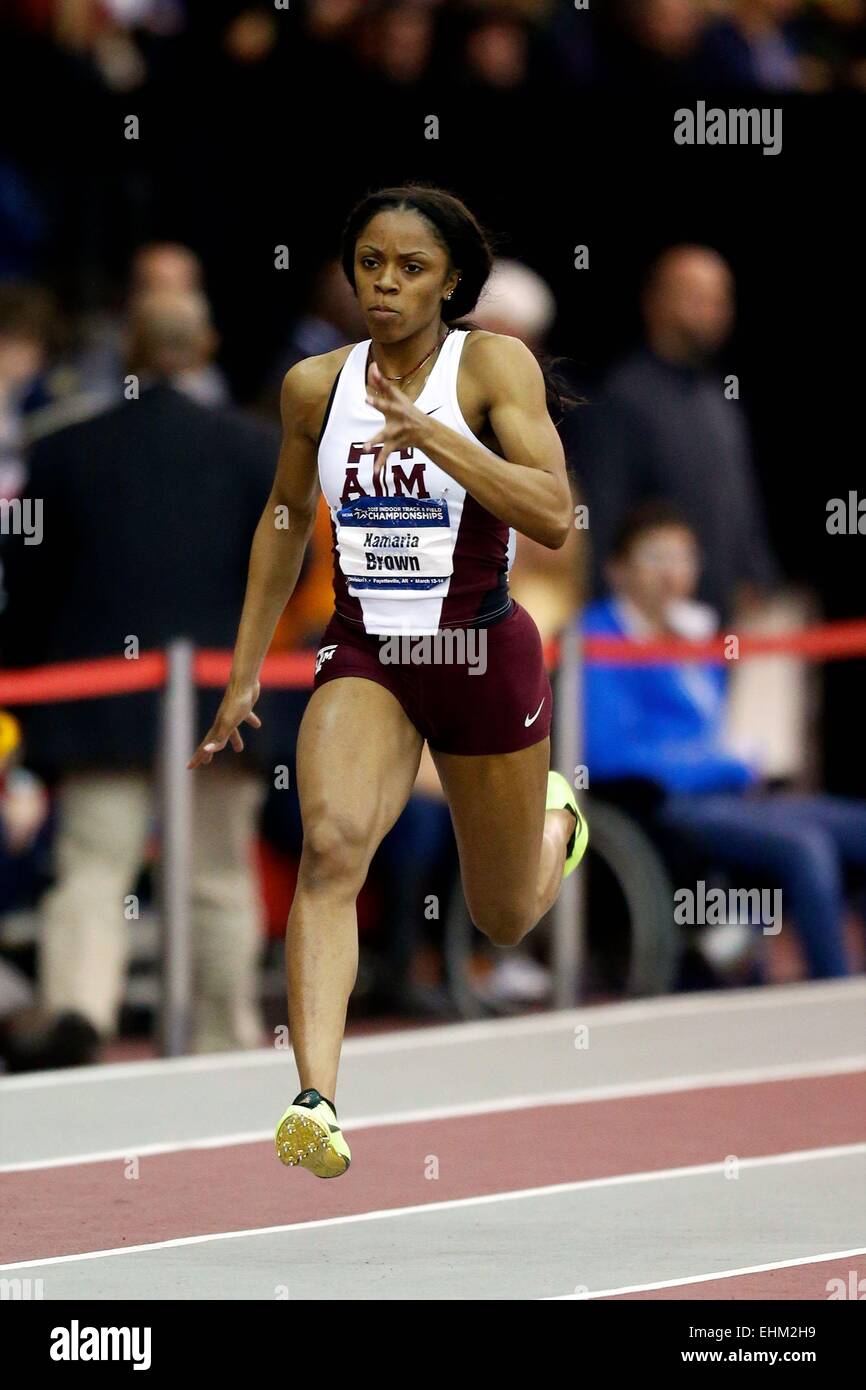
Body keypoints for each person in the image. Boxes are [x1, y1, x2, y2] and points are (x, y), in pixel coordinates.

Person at [189, 184, 589, 1178]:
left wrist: (441, 438)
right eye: (369, 263)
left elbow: (550, 513)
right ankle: (315, 1099)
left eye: (409, 268)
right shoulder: (312, 386)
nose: (385, 284)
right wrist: (245, 669)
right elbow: (285, 519)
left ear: (450, 280)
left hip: (479, 650)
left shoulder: (492, 364)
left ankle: (557, 824)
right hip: (368, 648)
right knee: (330, 847)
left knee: (502, 913)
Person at [1, 289, 280, 1062]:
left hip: (99, 702)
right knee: (220, 875)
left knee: (92, 871)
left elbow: (27, 589)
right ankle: (227, 1033)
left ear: (127, 351)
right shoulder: (257, 449)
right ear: (207, 346)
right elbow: (290, 578)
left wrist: (27, 680)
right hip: (227, 697)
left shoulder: (62, 449)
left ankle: (75, 1019)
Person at [582, 501, 866, 979]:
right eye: (656, 558)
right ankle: (834, 1000)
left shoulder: (698, 634)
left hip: (729, 797)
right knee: (806, 847)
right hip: (663, 806)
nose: (672, 573)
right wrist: (725, 766)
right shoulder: (598, 635)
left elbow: (708, 734)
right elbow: (608, 754)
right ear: (618, 570)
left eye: (684, 558)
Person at [571, 244, 780, 623]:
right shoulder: (623, 398)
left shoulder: (720, 400)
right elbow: (602, 515)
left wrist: (755, 575)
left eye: (720, 300)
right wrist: (616, 613)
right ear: (656, 302)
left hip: (720, 619)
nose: (712, 312)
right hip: (651, 623)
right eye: (697, 299)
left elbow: (739, 500)